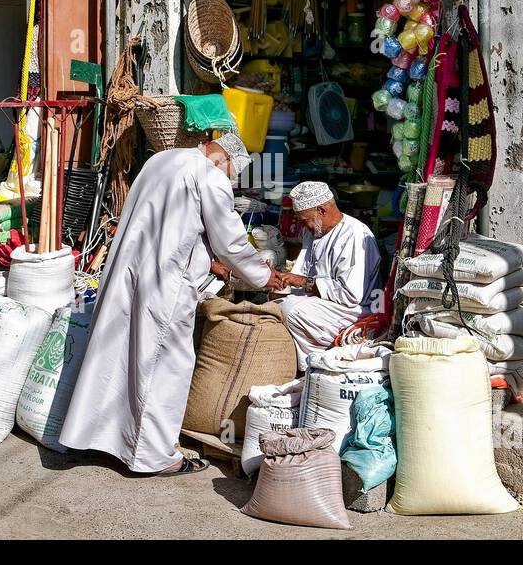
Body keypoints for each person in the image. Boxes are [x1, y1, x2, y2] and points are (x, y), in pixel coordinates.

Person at [60, 134, 282, 476]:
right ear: (223, 160)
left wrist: (208, 259)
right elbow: (232, 242)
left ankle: (96, 438)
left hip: (129, 272)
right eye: (231, 174)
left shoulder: (161, 160)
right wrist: (264, 277)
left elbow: (173, 225)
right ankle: (154, 457)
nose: (229, 180)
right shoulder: (209, 176)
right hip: (165, 283)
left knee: (115, 356)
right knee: (164, 366)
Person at [275, 181, 382, 373]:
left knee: (291, 310)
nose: (302, 226)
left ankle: (318, 365)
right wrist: (280, 278)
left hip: (358, 309)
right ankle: (311, 364)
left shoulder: (354, 235)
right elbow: (302, 274)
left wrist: (302, 282)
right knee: (275, 302)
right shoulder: (314, 231)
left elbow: (351, 295)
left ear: (321, 210)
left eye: (304, 220)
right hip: (328, 305)